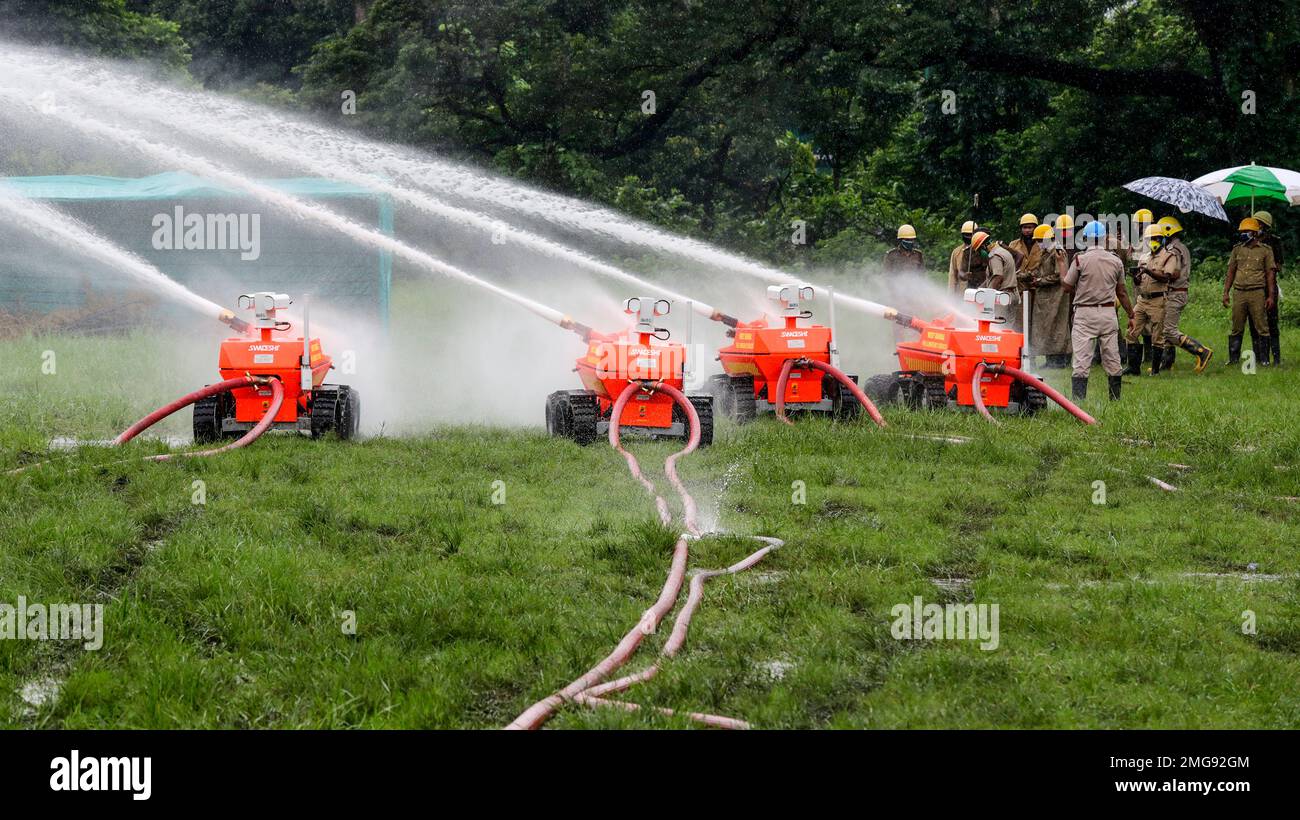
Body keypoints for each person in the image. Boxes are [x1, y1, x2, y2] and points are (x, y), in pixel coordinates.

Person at [1062, 220, 1133, 400]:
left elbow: (1067, 286)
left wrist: (1061, 265)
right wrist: (1131, 315)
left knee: (1081, 361)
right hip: (1108, 313)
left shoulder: (1080, 259)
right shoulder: (1115, 260)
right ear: (1104, 238)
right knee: (1112, 358)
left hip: (1085, 314)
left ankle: (1079, 403)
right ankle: (1115, 400)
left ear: (1085, 238)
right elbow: (1122, 292)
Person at [1222, 217, 1277, 366]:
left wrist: (1271, 296)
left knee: (1261, 327)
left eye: (1246, 231)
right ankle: (1233, 359)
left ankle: (1264, 359)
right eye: (1242, 231)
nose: (1243, 233)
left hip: (1257, 292)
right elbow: (1231, 272)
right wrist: (1226, 292)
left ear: (1254, 233)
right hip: (1239, 292)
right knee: (1236, 327)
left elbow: (1270, 274)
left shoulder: (1265, 250)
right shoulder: (1237, 249)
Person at [1017, 223, 1071, 368]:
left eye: (1040, 240)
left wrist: (1040, 281)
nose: (1038, 243)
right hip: (1046, 297)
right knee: (1047, 328)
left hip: (1056, 296)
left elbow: (1059, 276)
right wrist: (1023, 276)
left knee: (1056, 327)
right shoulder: (1047, 251)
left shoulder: (1058, 252)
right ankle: (1050, 360)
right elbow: (1039, 271)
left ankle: (1058, 361)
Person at [1124, 224, 1175, 376]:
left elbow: (1166, 277)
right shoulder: (1144, 257)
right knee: (1131, 332)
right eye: (1150, 239)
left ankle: (1155, 370)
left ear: (1162, 240)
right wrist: (1135, 277)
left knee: (1157, 336)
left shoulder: (1169, 256)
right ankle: (1133, 368)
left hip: (1158, 300)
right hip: (1142, 300)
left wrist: (1148, 271)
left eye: (1156, 238)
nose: (1153, 241)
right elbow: (1139, 281)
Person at [1158, 216, 1199, 370]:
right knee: (1167, 327)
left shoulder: (1174, 251)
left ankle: (1201, 352)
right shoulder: (1182, 247)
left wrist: (1159, 272)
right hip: (1178, 292)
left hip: (1175, 292)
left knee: (1169, 330)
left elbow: (1174, 273)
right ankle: (1166, 364)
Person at [971, 229, 1020, 329]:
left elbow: (998, 276)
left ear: (984, 246)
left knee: (999, 329)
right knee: (1008, 329)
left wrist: (987, 296)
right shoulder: (1002, 251)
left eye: (980, 250)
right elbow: (993, 277)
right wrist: (980, 289)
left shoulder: (994, 256)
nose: (981, 254)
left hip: (1003, 298)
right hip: (1012, 294)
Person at [1252, 210, 1283, 365]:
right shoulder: (1248, 241)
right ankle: (1259, 358)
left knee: (1271, 321)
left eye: (1257, 223)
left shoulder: (1274, 241)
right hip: (1252, 288)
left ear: (1264, 225)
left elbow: (1279, 266)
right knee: (1254, 323)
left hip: (1268, 287)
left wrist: (1265, 265)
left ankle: (1276, 358)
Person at [1131, 209, 1155, 361]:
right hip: (1138, 283)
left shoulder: (1151, 240)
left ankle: (1151, 354)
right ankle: (1146, 354)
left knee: (1150, 321)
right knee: (1141, 319)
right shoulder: (1140, 240)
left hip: (1148, 284)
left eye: (1138, 224)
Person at [947, 220, 984, 293]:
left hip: (979, 291)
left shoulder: (983, 251)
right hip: (962, 293)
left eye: (971, 234)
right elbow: (952, 276)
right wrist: (951, 295)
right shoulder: (956, 252)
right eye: (966, 234)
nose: (969, 237)